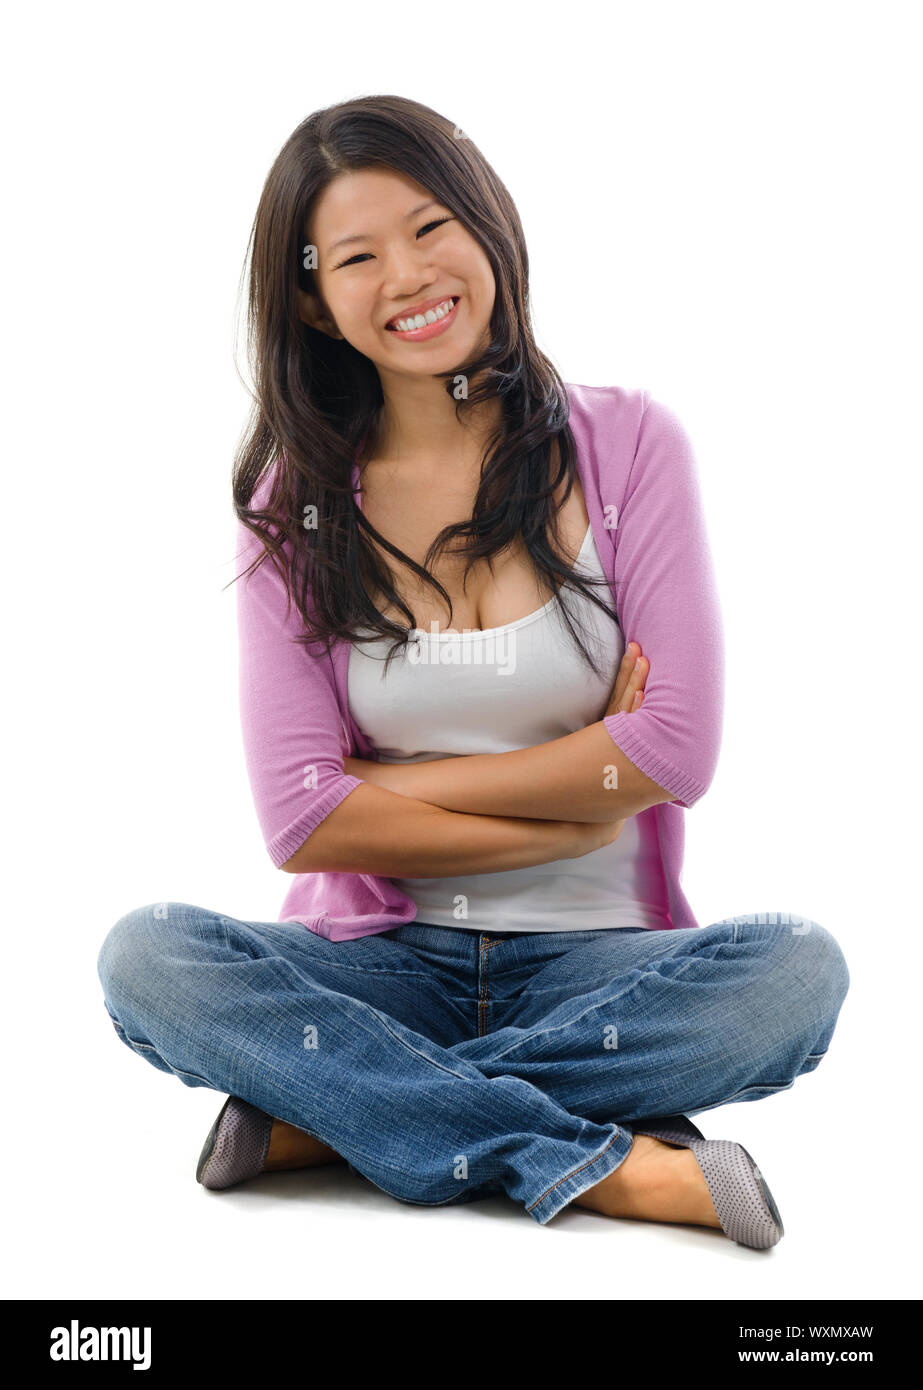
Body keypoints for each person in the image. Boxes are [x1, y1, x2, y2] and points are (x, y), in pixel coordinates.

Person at [97, 94, 849, 1248]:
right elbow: (301, 827)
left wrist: (384, 790)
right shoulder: (288, 509)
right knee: (147, 956)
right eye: (356, 256)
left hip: (598, 971)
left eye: (430, 225)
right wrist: (562, 809)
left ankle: (336, 1112)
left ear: (486, 225)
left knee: (793, 974)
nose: (407, 275)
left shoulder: (629, 446)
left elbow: (672, 751)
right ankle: (598, 1162)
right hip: (378, 962)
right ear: (311, 297)